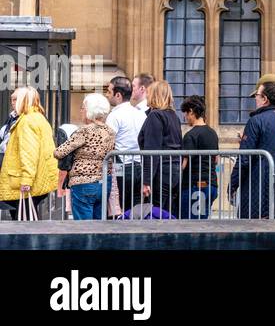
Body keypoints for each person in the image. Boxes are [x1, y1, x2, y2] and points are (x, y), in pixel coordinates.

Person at [231, 79, 275, 218]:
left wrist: (233, 185)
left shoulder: (256, 120)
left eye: (257, 96)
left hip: (257, 190)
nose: (255, 99)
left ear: (264, 99)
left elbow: (244, 159)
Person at [52, 93, 114, 220]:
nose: (81, 111)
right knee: (99, 224)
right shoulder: (110, 131)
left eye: (82, 108)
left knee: (83, 226)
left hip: (83, 182)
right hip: (104, 182)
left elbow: (59, 152)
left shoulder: (84, 131)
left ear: (89, 111)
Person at [0, 87, 58, 220]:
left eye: (15, 99)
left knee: (22, 221)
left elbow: (29, 153)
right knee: (27, 218)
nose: (12, 102)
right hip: (36, 177)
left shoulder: (26, 121)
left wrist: (26, 179)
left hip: (25, 180)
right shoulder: (37, 118)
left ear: (23, 100)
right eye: (11, 99)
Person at [137, 79, 183, 218]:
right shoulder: (174, 116)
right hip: (174, 171)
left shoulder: (155, 116)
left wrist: (146, 181)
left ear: (155, 95)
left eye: (149, 93)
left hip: (161, 172)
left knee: (156, 212)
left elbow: (152, 150)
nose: (146, 96)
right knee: (168, 211)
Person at [105, 75, 145, 211]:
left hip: (122, 166)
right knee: (136, 208)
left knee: (121, 206)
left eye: (109, 91)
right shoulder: (140, 114)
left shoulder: (114, 116)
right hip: (140, 166)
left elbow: (107, 143)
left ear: (118, 95)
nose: (106, 95)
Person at [179, 95, 220, 219]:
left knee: (192, 227)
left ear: (191, 111)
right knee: (203, 222)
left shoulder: (191, 135)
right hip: (211, 185)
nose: (185, 117)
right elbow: (216, 159)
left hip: (196, 187)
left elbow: (184, 164)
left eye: (185, 113)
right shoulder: (212, 133)